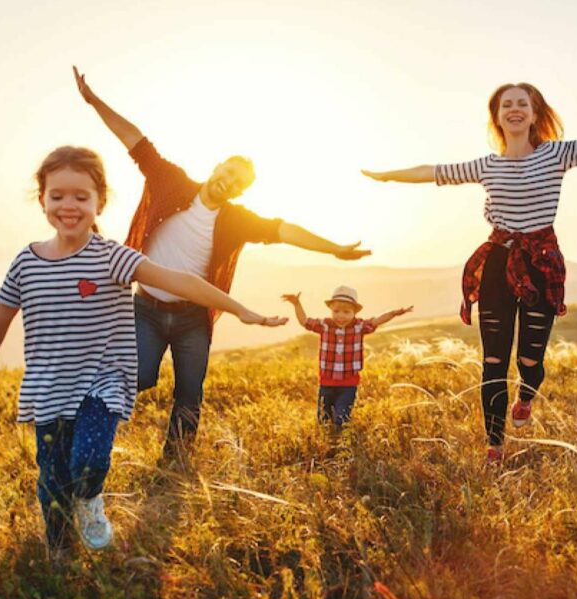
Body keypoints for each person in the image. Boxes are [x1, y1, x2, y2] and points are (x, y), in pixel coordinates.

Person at [0, 146, 286, 558]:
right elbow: (1, 314)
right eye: (57, 195)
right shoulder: (27, 262)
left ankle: (91, 500)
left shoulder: (113, 257)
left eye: (81, 196)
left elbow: (181, 281)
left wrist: (239, 309)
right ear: (42, 200)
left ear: (100, 202)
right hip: (49, 390)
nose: (69, 205)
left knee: (88, 461)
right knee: (53, 478)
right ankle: (59, 550)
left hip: (102, 385)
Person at [362, 83, 577, 462]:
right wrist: (388, 176)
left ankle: (526, 396)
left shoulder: (557, 154)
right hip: (497, 266)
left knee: (529, 361)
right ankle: (494, 446)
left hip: (540, 266)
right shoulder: (486, 166)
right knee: (493, 360)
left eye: (523, 104)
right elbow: (433, 171)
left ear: (536, 114)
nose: (515, 109)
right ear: (498, 116)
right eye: (507, 105)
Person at [73, 67, 372, 456]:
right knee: (140, 375)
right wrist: (95, 101)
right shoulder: (171, 182)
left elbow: (285, 230)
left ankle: (175, 465)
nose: (228, 182)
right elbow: (135, 140)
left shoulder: (235, 220)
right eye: (227, 173)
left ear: (240, 191)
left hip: (192, 317)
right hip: (145, 309)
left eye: (237, 183)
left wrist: (334, 248)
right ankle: (81, 418)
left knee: (189, 392)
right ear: (216, 169)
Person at [282, 286, 412, 428]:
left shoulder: (359, 326)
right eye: (336, 311)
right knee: (323, 419)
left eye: (346, 312)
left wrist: (393, 313)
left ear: (354, 312)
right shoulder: (324, 325)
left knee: (341, 418)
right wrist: (296, 304)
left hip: (348, 384)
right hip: (326, 382)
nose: (340, 316)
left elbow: (377, 321)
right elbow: (304, 321)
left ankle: (342, 444)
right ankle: (328, 444)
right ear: (330, 309)